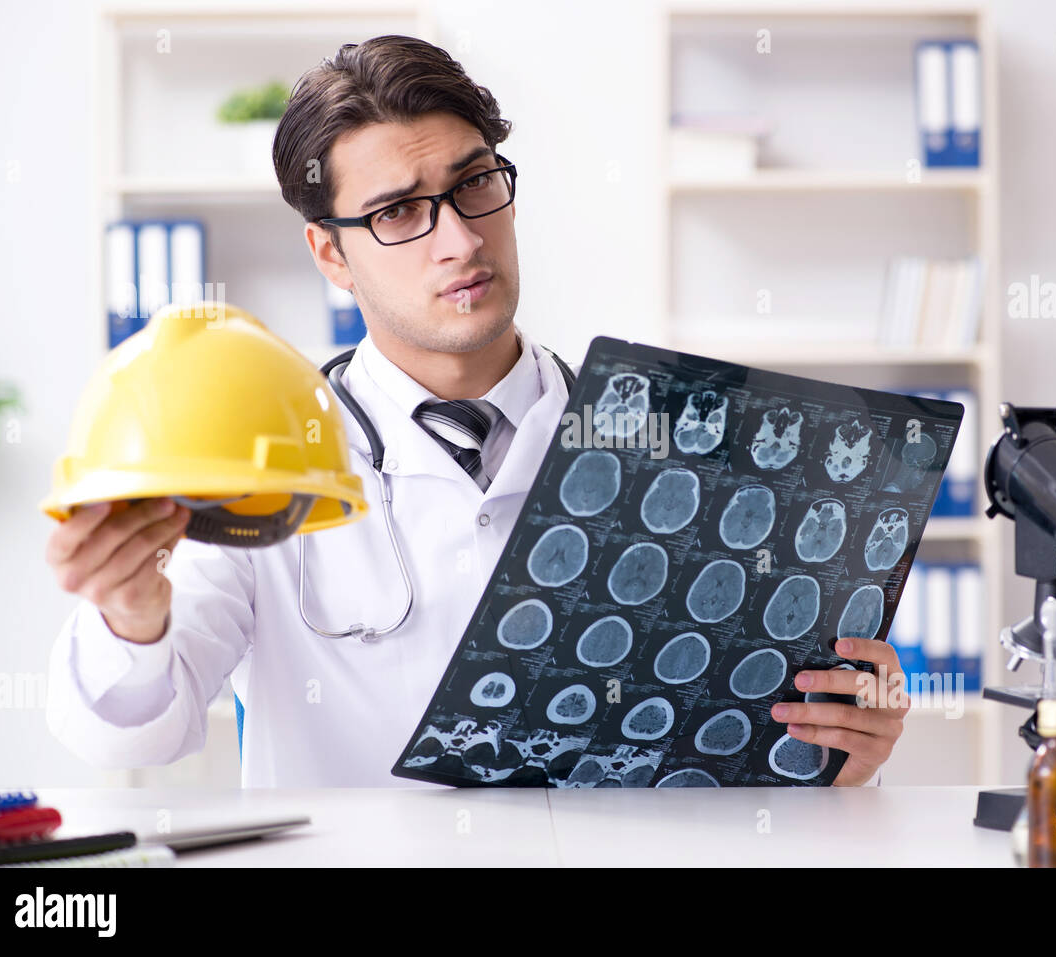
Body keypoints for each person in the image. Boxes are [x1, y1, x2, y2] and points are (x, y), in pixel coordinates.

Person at [44, 35, 905, 787]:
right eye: (399, 212)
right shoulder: (265, 451)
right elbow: (132, 730)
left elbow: (721, 761)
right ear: (330, 254)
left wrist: (837, 751)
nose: (459, 239)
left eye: (475, 184)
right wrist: (131, 614)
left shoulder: (674, 444)